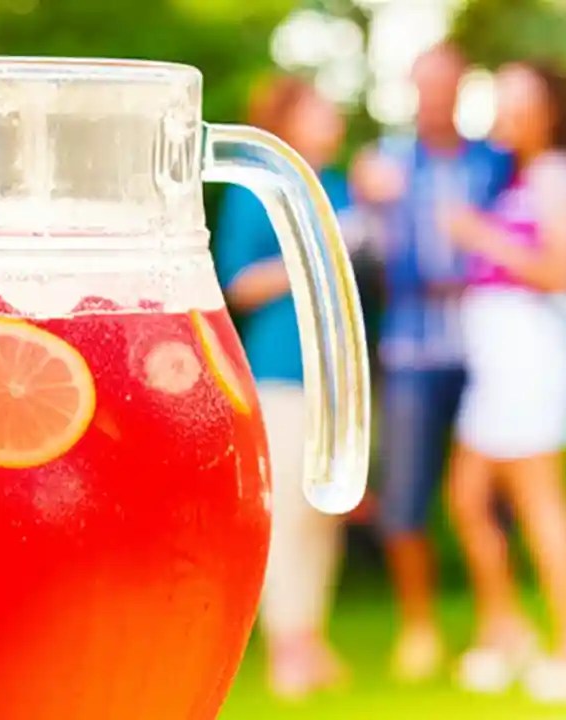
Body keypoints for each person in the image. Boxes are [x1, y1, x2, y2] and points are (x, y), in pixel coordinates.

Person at [441, 61, 566, 702]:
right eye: (500, 99)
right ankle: (506, 628)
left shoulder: (555, 174)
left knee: (540, 500)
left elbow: (560, 272)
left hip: (530, 362)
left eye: (518, 100)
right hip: (498, 364)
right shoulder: (514, 179)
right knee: (467, 497)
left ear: (550, 112)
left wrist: (476, 234)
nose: (504, 112)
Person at [350, 43, 513, 681]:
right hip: (412, 348)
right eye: (426, 86)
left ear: (463, 88)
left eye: (448, 85)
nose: (436, 97)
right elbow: (357, 239)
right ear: (412, 90)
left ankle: (497, 623)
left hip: (484, 344)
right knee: (407, 496)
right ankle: (419, 627)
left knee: (491, 499)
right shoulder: (384, 164)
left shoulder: (495, 163)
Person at [214, 75, 351, 700]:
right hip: (278, 369)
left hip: (340, 376)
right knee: (289, 515)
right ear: (289, 120)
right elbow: (237, 285)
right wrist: (316, 253)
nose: (334, 115)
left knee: (328, 512)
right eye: (319, 106)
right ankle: (287, 649)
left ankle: (312, 637)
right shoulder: (257, 193)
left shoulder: (345, 189)